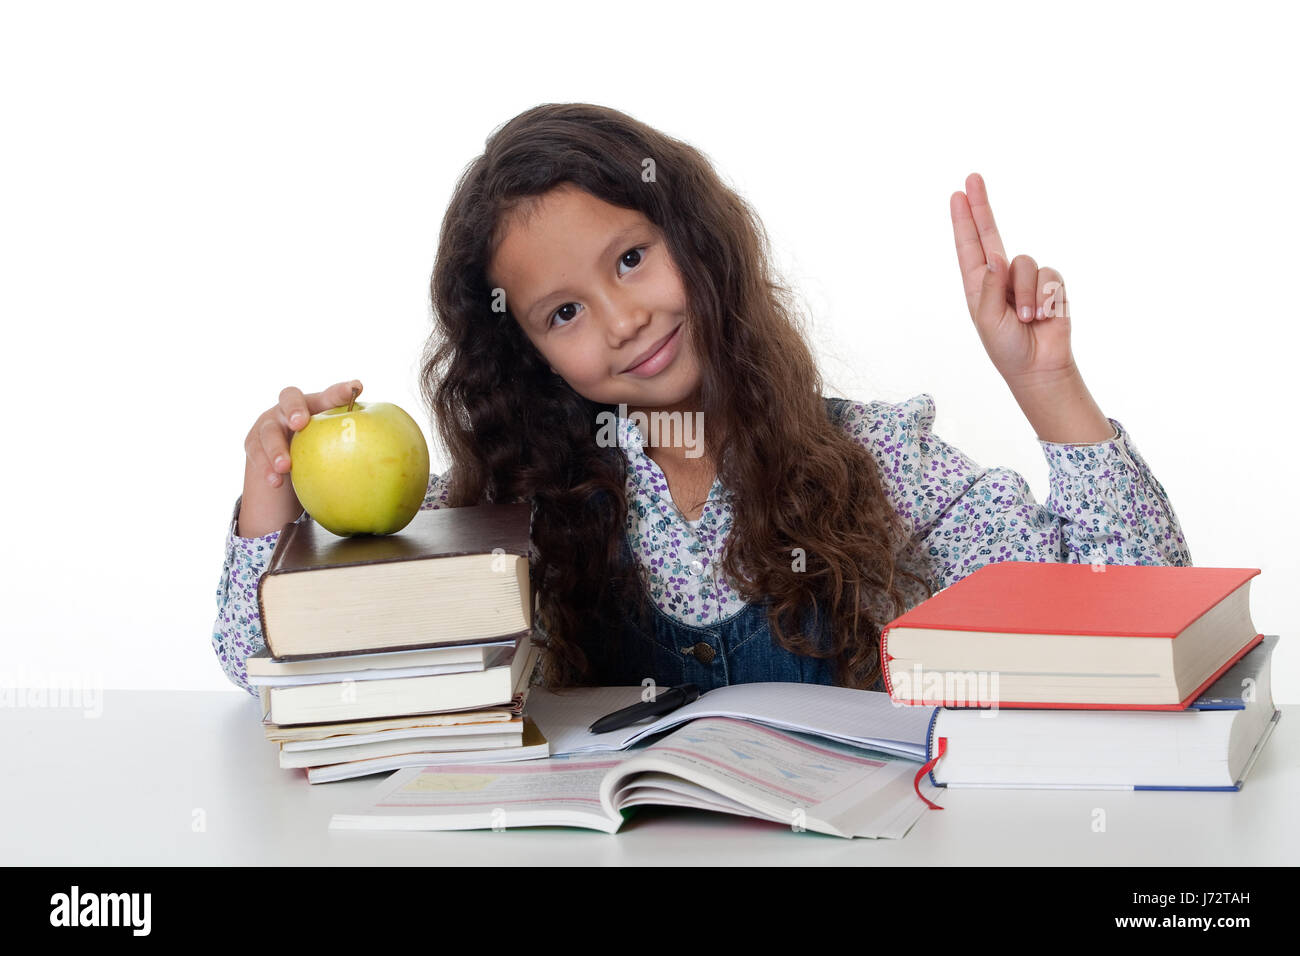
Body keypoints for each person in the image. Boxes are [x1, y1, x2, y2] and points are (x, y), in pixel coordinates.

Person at [213, 103, 1192, 700]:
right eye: (564, 311)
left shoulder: (879, 461)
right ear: (529, 354)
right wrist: (274, 497)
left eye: (631, 258)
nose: (624, 318)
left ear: (696, 240)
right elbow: (269, 659)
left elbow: (1135, 612)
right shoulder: (509, 509)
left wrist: (1044, 382)